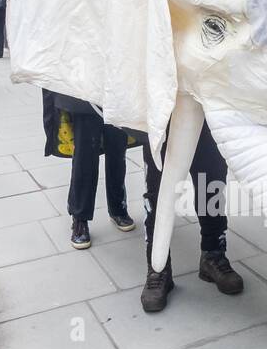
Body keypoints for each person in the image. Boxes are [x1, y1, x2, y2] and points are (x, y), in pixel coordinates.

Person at [139, 125, 243, 313]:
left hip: (207, 107)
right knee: (158, 191)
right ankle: (158, 267)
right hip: (161, 114)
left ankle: (213, 254)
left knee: (211, 183)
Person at [55, 93, 134, 249]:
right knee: (85, 155)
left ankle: (118, 208)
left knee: (118, 151)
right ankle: (80, 217)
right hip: (86, 91)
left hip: (117, 90)